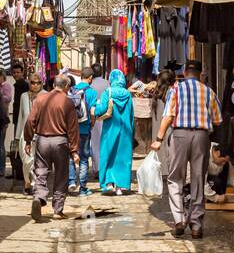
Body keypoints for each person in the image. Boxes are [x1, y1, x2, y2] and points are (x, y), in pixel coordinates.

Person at [152, 58, 222, 238]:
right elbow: (217, 120)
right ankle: (196, 225)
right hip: (201, 136)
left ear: (185, 73)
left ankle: (179, 220)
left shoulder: (176, 89)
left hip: (180, 135)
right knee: (199, 178)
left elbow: (168, 116)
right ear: (201, 73)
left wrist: (159, 138)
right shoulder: (209, 91)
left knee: (175, 177)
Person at [24, 73, 80, 222]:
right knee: (61, 175)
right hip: (60, 142)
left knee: (41, 172)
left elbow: (30, 121)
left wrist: (28, 140)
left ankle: (39, 197)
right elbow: (73, 129)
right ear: (67, 87)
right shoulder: (67, 103)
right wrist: (74, 150)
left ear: (54, 84)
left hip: (42, 140)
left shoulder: (40, 99)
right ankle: (57, 210)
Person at [92, 69, 135, 195]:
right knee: (122, 157)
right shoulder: (127, 94)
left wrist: (95, 106)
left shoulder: (108, 92)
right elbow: (131, 114)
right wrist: (132, 130)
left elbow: (101, 110)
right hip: (125, 131)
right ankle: (121, 187)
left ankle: (109, 183)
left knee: (108, 155)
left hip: (110, 129)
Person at [70, 66, 95, 195]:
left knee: (72, 155)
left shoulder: (72, 89)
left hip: (72, 130)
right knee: (84, 158)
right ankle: (83, 188)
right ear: (90, 78)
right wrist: (93, 123)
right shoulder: (91, 92)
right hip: (85, 129)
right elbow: (92, 111)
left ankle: (71, 182)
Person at [7, 63, 30, 183]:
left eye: (18, 72)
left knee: (20, 144)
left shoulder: (24, 85)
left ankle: (21, 172)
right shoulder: (17, 85)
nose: (16, 74)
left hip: (22, 119)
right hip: (17, 118)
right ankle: (18, 172)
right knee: (17, 145)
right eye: (14, 72)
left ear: (22, 72)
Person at [88, 64, 109, 185]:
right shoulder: (108, 83)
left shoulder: (90, 85)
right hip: (106, 116)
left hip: (94, 116)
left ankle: (96, 169)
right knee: (105, 142)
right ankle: (105, 168)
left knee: (95, 143)